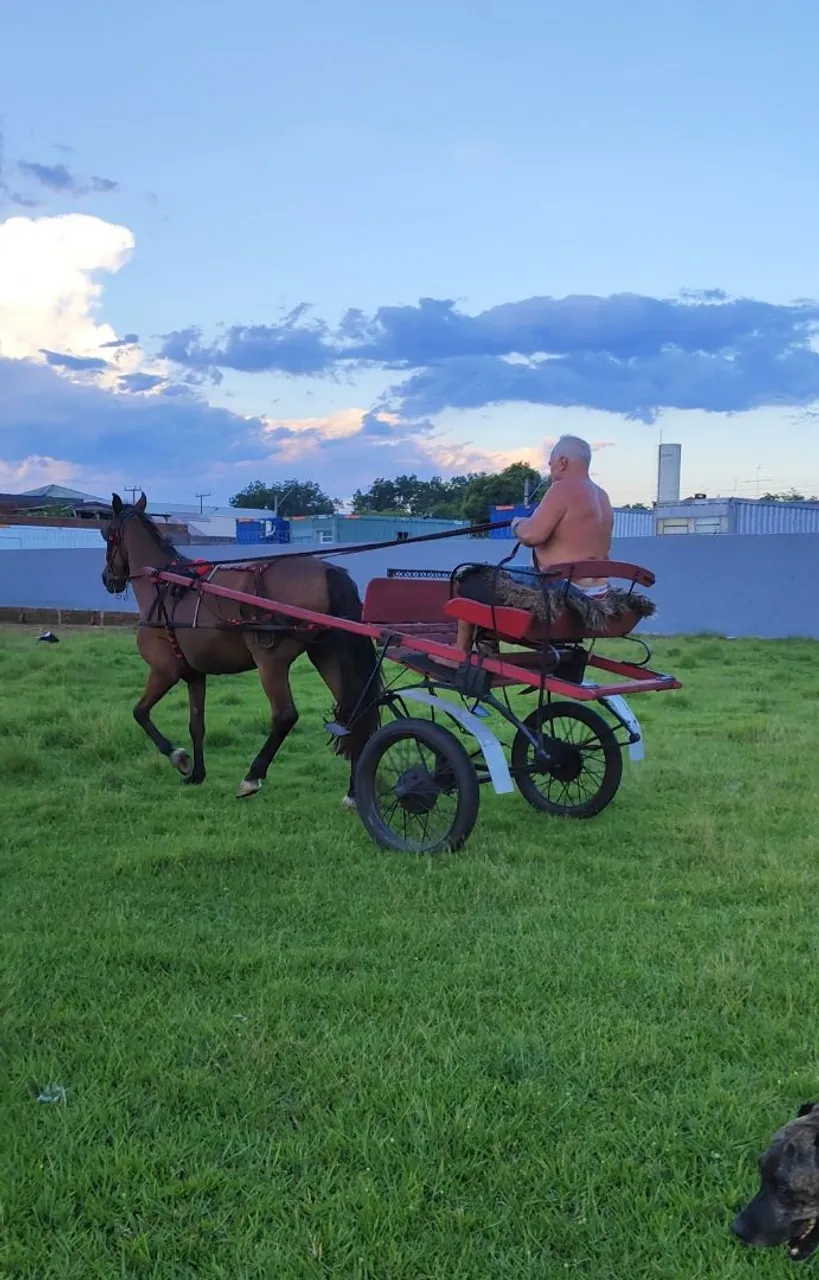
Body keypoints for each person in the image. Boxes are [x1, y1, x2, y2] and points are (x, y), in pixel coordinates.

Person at [456, 434, 613, 655]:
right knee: (502, 575)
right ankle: (487, 641)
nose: (550, 470)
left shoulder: (563, 488)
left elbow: (531, 536)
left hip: (563, 588)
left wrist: (517, 525)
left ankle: (460, 653)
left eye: (550, 464)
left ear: (562, 462)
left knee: (470, 578)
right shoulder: (603, 496)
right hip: (597, 591)